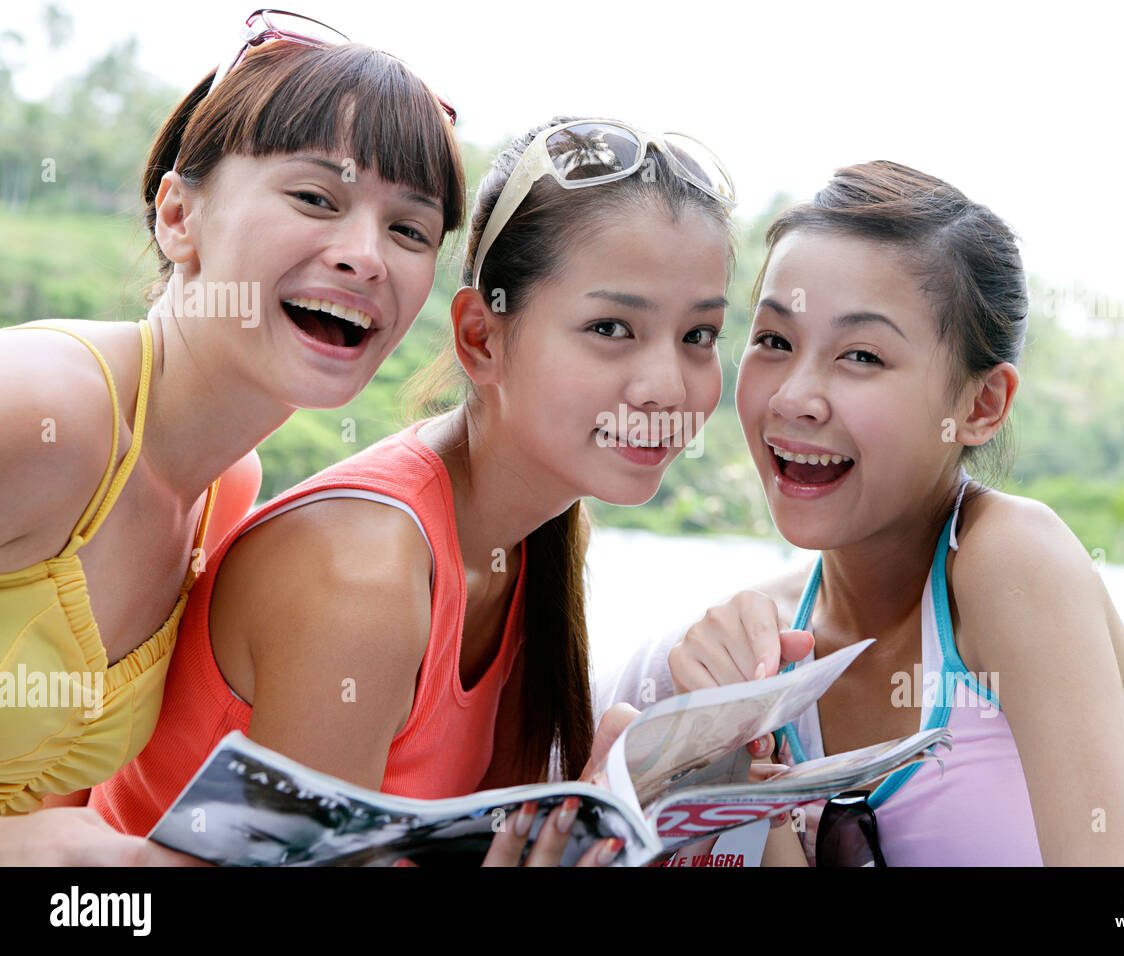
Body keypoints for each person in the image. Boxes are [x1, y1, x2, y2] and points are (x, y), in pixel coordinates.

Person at [91, 117, 738, 866]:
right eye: (611, 327)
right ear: (480, 339)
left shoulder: (530, 539)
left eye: (699, 336)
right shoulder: (359, 575)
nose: (667, 386)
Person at [599, 161, 1124, 866]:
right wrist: (728, 775)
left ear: (980, 406)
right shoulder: (753, 649)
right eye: (774, 341)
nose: (794, 398)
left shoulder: (1011, 561)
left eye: (861, 355)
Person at [0, 12, 464, 865]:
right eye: (316, 198)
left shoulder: (225, 489)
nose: (366, 256)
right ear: (178, 216)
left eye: (409, 230)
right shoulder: (40, 410)